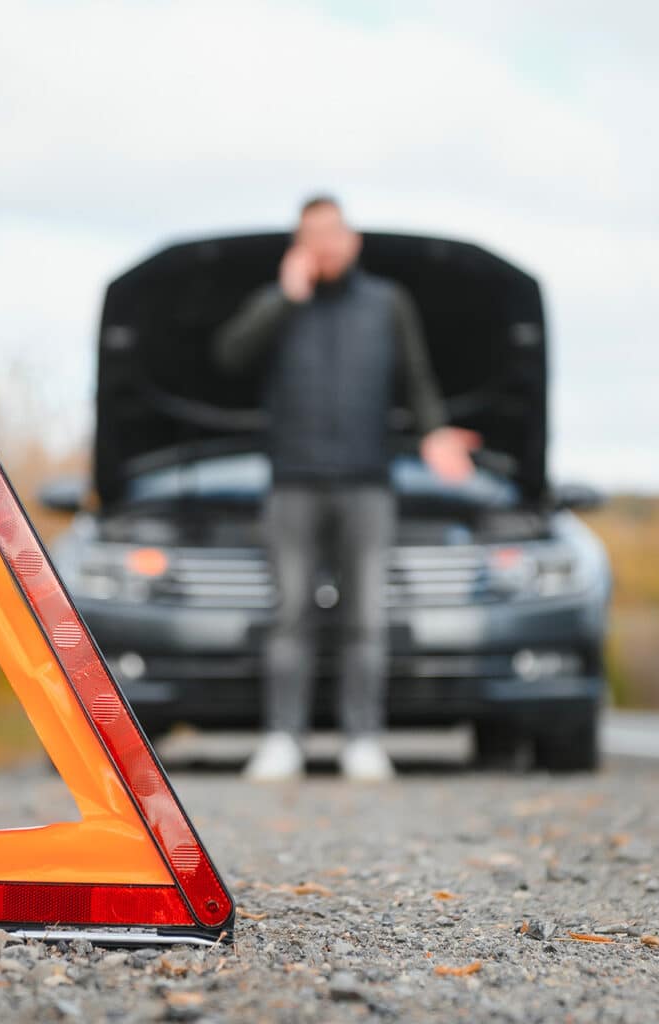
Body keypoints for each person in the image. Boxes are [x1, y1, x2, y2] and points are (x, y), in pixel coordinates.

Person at [212, 196, 481, 782]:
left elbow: (417, 378)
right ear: (298, 244)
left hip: (366, 483)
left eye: (333, 232)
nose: (325, 244)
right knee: (290, 617)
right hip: (293, 483)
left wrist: (435, 433)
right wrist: (285, 298)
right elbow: (228, 358)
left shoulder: (386, 304)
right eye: (312, 235)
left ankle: (362, 740)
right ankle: (283, 738)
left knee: (365, 618)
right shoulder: (276, 304)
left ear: (352, 239)